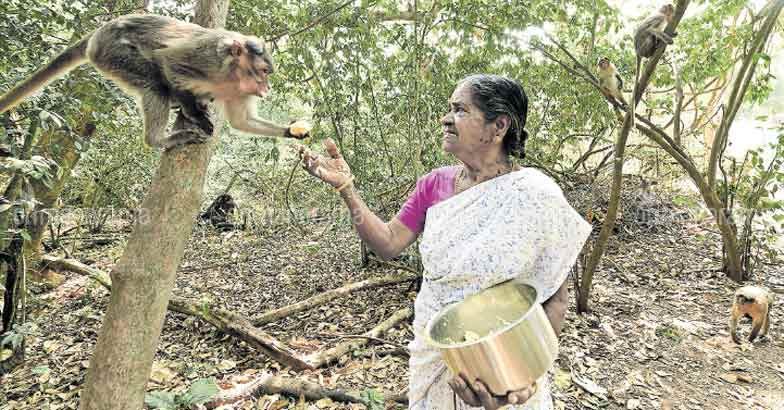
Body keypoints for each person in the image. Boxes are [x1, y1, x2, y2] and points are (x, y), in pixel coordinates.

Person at [297, 74, 592, 410]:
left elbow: (555, 299)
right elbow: (389, 243)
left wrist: (522, 379)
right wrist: (346, 189)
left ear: (498, 127)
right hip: (436, 357)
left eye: (460, 110)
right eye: (449, 109)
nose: (446, 118)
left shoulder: (537, 196)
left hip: (507, 371)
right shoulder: (434, 184)